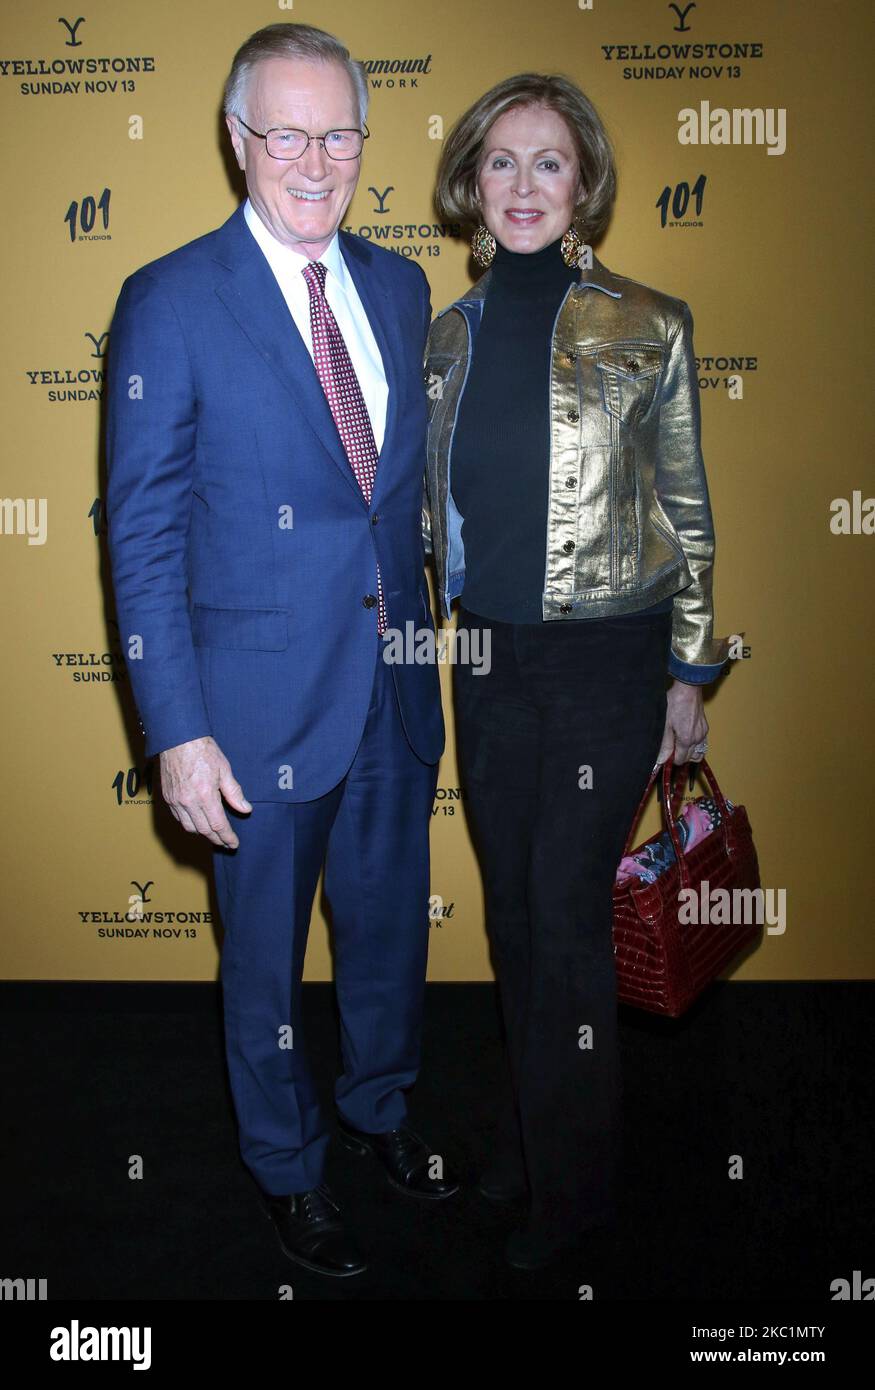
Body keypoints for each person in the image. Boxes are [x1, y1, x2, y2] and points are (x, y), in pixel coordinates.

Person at [106, 22, 456, 1281]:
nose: (316, 160)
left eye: (340, 133)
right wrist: (175, 727)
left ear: (365, 137)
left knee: (387, 937)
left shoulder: (403, 286)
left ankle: (378, 1110)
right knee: (261, 963)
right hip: (248, 711)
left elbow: (402, 498)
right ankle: (286, 1168)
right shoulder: (168, 300)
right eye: (286, 134)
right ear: (236, 140)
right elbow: (141, 532)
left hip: (393, 692)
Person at [423, 72, 731, 1270]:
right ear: (468, 183)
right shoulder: (445, 336)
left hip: (608, 654)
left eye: (547, 162)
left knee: (561, 921)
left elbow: (689, 512)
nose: (521, 186)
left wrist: (688, 675)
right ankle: (524, 1142)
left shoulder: (651, 322)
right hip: (486, 658)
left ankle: (576, 1196)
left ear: (585, 181)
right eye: (499, 162)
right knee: (511, 919)